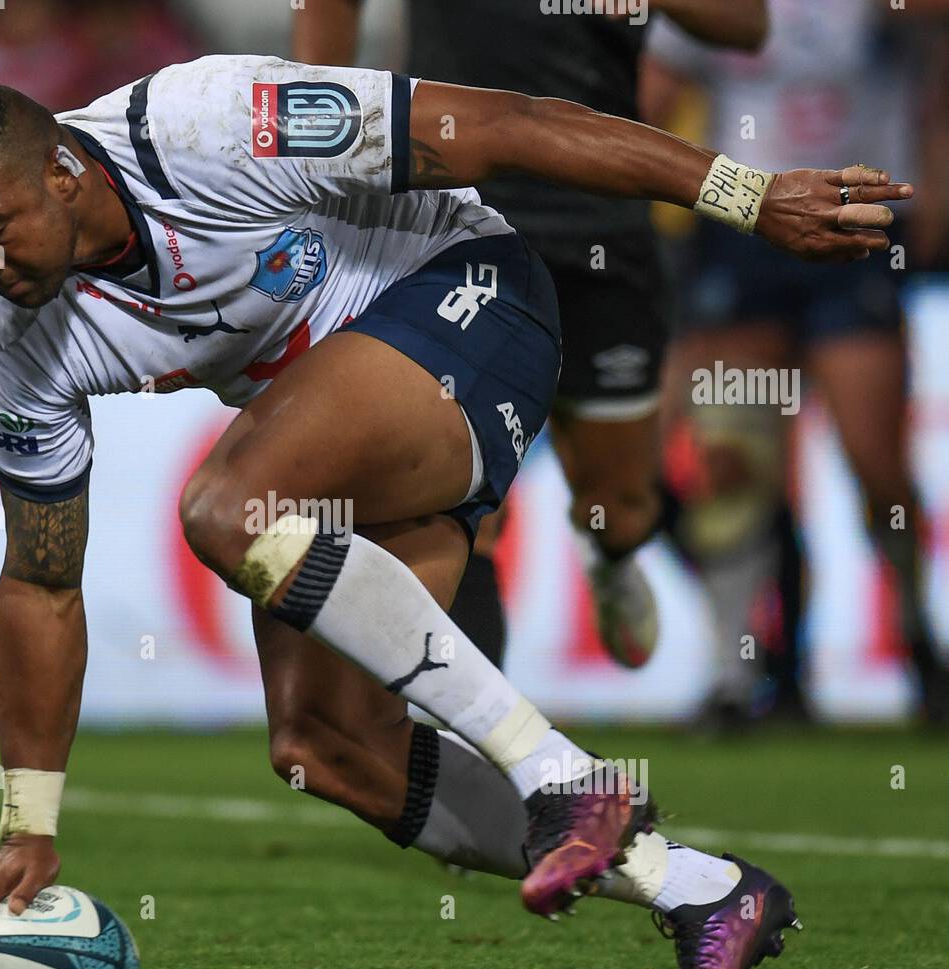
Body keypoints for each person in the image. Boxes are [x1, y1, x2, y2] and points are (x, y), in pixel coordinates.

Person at [0, 57, 906, 969]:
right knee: (326, 747)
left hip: (470, 302)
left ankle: (562, 774)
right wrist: (26, 824)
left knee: (227, 506)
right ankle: (698, 889)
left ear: (65, 170)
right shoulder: (18, 344)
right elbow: (41, 582)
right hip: (350, 438)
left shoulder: (208, 125)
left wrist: (746, 194)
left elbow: (510, 128)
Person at [292, 0, 769, 674]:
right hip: (461, 211)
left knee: (622, 505)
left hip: (602, 219)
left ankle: (612, 552)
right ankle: (468, 752)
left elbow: (746, 25)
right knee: (463, 511)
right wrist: (318, 139)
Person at [643, 0, 949, 725]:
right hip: (746, 223)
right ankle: (739, 665)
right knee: (731, 457)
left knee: (875, 458)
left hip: (863, 216)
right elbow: (657, 92)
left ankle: (915, 630)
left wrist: (935, 164)